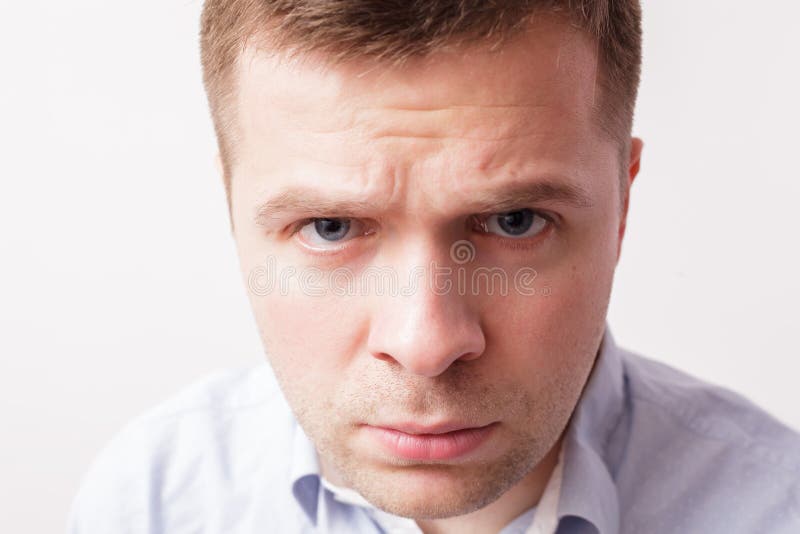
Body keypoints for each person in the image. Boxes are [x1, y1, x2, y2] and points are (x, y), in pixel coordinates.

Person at [67, 1, 800, 533]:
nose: (426, 343)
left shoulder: (776, 509)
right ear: (232, 210)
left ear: (622, 205)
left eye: (515, 221)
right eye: (330, 227)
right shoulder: (153, 502)